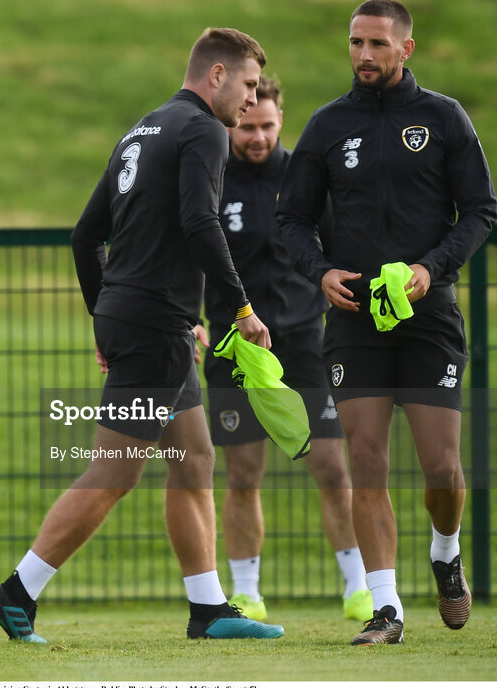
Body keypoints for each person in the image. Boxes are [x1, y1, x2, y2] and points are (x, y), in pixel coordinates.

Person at [0, 28, 284, 643]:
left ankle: (208, 608)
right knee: (114, 473)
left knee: (194, 459)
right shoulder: (204, 129)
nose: (252, 100)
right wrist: (241, 308)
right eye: (249, 85)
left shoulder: (142, 130)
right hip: (154, 324)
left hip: (144, 319)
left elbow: (84, 237)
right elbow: (200, 221)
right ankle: (17, 592)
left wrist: (105, 317)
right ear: (217, 75)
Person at [276, 0, 497, 645]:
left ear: (406, 48)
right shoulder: (327, 125)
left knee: (442, 469)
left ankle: (445, 553)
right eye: (356, 42)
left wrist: (431, 268)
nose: (364, 54)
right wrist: (320, 270)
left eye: (377, 43)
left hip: (429, 319)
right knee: (366, 462)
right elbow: (291, 218)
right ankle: (387, 609)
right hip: (354, 322)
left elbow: (480, 210)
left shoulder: (443, 118)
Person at [199, 76, 372, 624]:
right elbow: (187, 251)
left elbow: (341, 250)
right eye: (247, 127)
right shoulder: (209, 177)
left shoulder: (306, 177)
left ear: (281, 122)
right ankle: (247, 592)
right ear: (232, 124)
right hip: (236, 348)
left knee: (332, 467)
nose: (257, 136)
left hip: (304, 343)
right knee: (243, 473)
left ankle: (358, 588)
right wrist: (190, 320)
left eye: (267, 126)